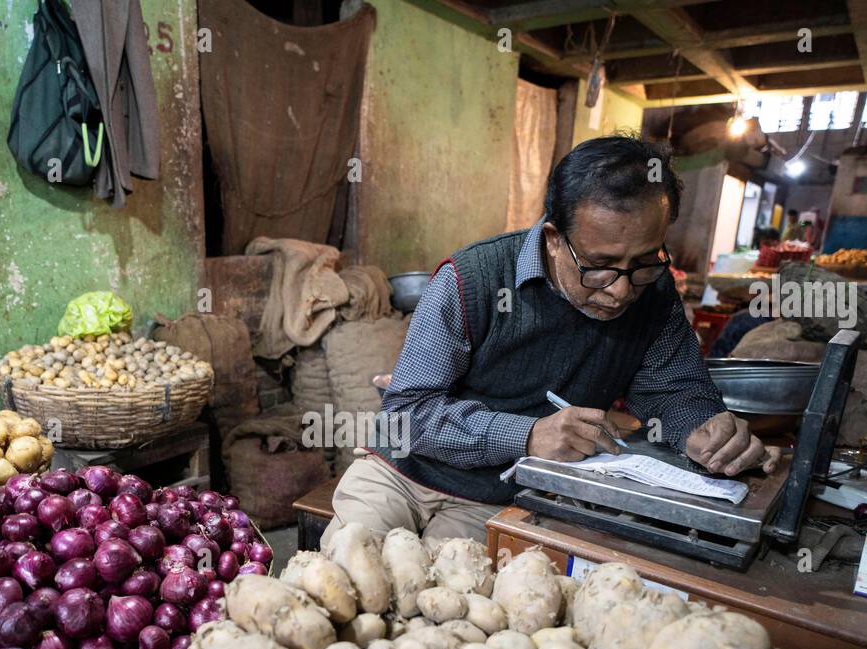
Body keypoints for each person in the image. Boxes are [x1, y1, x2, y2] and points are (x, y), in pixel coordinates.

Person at [321, 134, 780, 546]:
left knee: (447, 609)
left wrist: (703, 429)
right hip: (402, 472)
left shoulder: (653, 296)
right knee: (348, 577)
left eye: (644, 261)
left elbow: (674, 391)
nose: (620, 290)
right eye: (599, 265)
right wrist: (527, 434)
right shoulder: (474, 279)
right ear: (554, 239)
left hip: (503, 495)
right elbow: (408, 415)